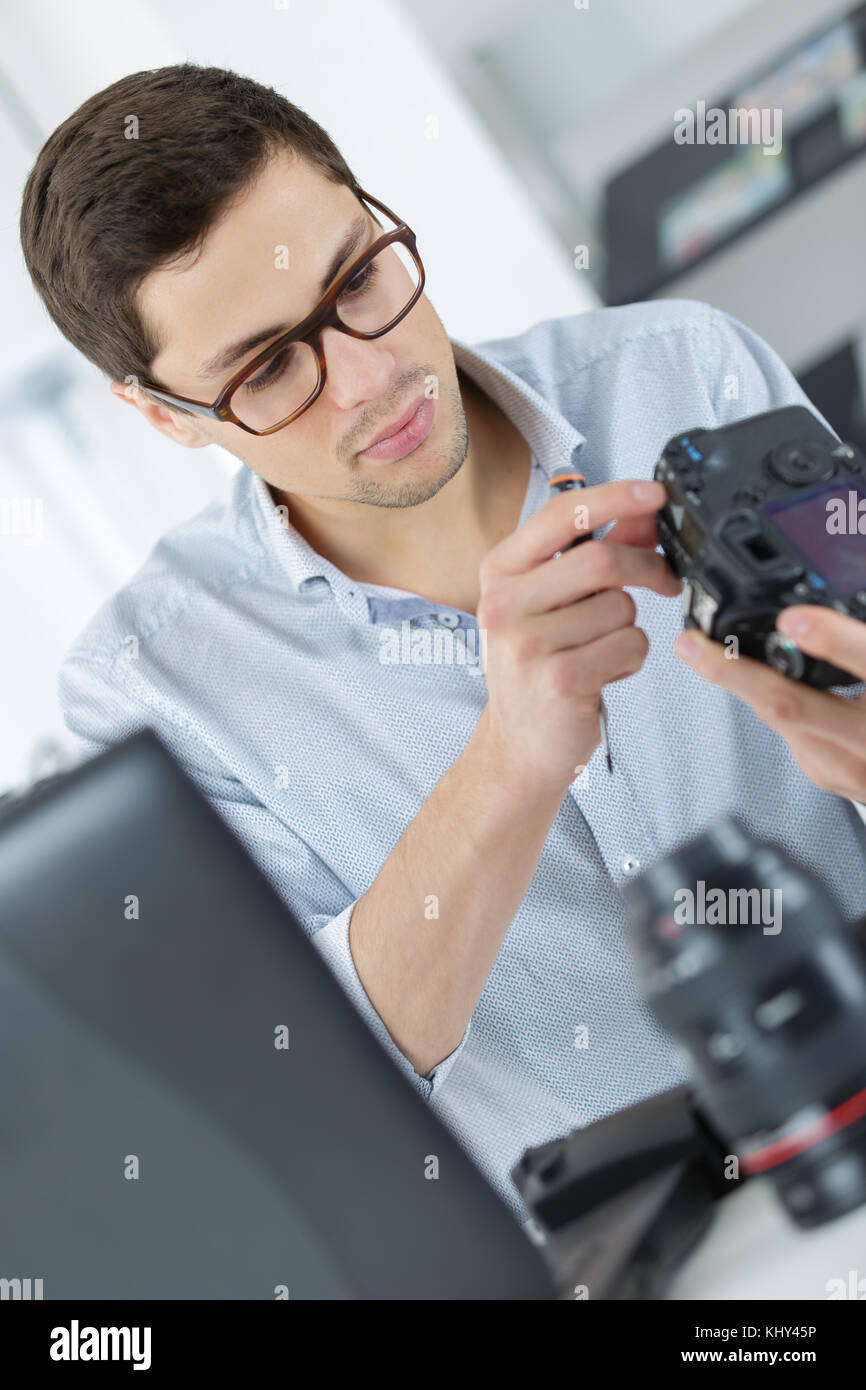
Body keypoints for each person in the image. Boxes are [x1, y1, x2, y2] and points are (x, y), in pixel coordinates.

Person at [21, 64, 866, 1222]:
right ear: (164, 415)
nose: (374, 377)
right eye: (269, 367)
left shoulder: (683, 371)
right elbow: (308, 1093)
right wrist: (509, 758)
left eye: (360, 276)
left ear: (370, 208)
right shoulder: (153, 693)